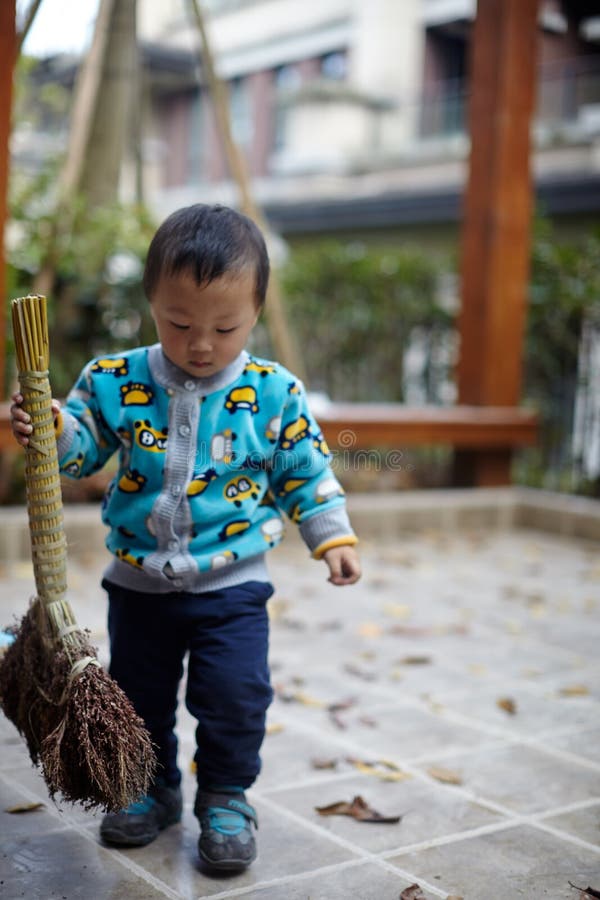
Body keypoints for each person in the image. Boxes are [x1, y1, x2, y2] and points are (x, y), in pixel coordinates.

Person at [10, 203, 361, 874]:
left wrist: (331, 535)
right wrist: (52, 429)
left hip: (234, 583)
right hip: (139, 584)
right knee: (138, 695)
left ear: (255, 312)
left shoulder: (273, 393)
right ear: (152, 303)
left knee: (234, 695)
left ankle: (227, 795)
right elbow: (79, 451)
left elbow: (304, 468)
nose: (201, 344)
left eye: (225, 327)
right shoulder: (114, 381)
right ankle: (150, 786)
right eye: (179, 323)